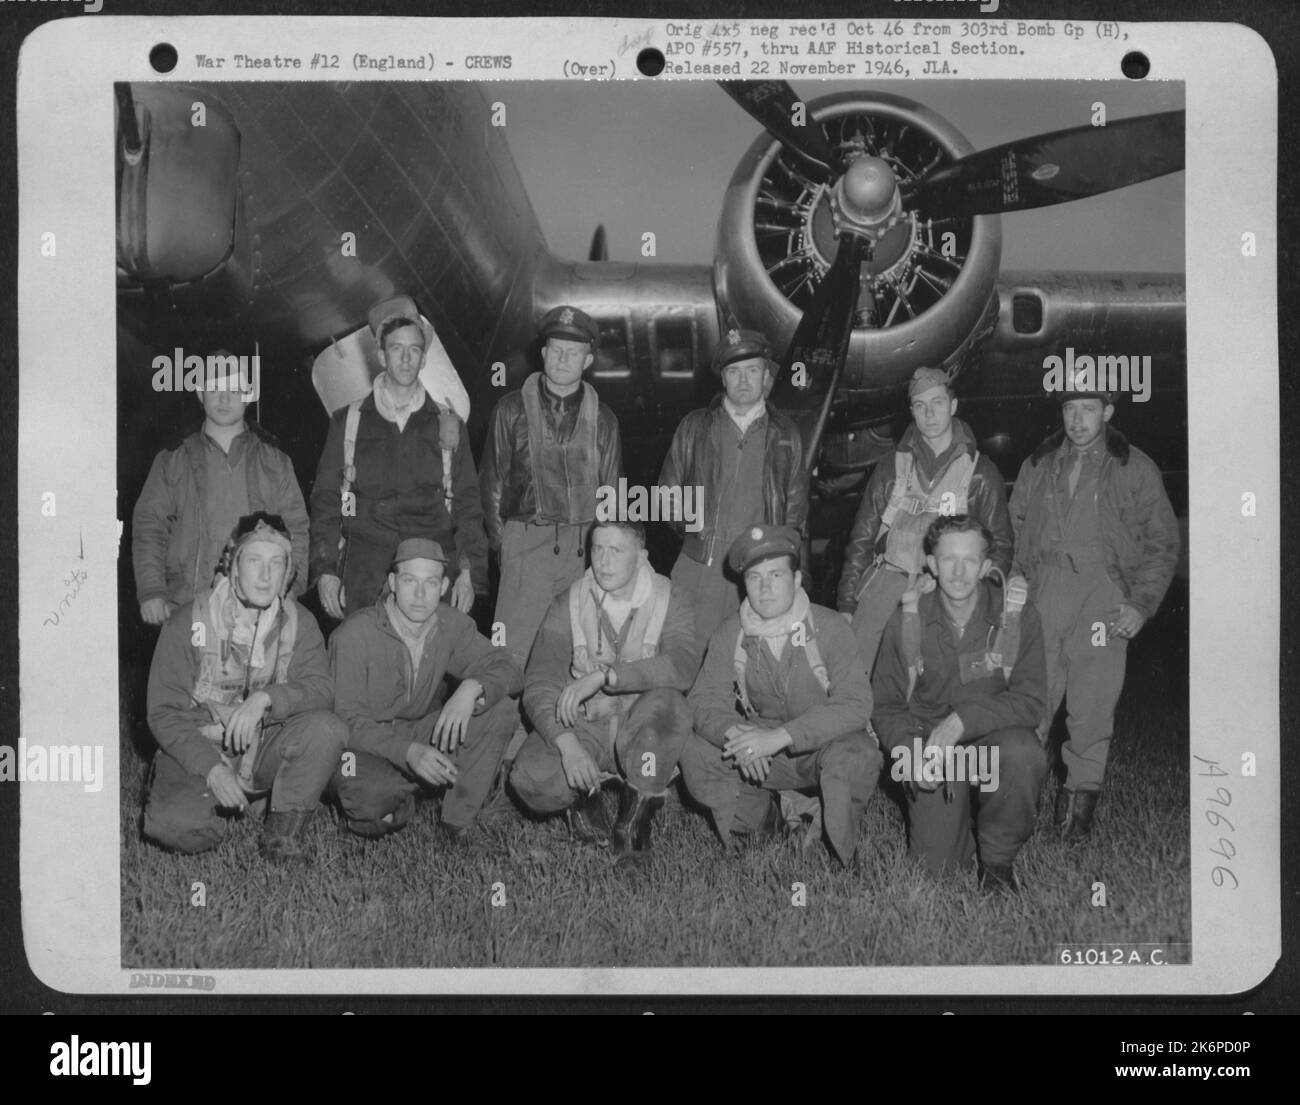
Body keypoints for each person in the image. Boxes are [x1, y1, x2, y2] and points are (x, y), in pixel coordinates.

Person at [1009, 389, 1179, 841]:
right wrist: (1014, 577)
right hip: (1045, 590)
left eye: (1088, 409)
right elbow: (1014, 523)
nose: (1077, 419)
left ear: (1107, 412)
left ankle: (1073, 827)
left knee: (1091, 705)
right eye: (1069, 409)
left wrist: (1140, 603)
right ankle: (1014, 813)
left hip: (1103, 597)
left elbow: (1163, 540)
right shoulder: (1038, 463)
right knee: (1030, 701)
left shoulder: (1134, 466)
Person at [142, 512, 347, 862]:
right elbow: (163, 713)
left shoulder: (301, 623)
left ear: (288, 572)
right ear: (233, 566)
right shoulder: (188, 621)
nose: (265, 575)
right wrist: (212, 769)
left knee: (328, 729)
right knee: (179, 828)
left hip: (264, 747)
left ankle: (280, 836)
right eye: (254, 560)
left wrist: (266, 699)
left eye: (277, 563)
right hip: (200, 746)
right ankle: (208, 798)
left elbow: (321, 690)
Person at [682, 525, 880, 868]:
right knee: (696, 749)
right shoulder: (732, 632)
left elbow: (856, 703)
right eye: (754, 577)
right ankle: (760, 825)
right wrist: (736, 734)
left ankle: (841, 854)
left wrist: (777, 738)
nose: (765, 587)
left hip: (823, 748)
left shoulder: (829, 627)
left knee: (857, 754)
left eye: (776, 574)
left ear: (797, 579)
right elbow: (702, 700)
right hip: (761, 755)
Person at [872, 515, 1048, 892]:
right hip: (930, 749)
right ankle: (959, 820)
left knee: (1023, 751)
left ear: (986, 567)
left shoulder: (1016, 617)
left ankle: (998, 860)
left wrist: (962, 721)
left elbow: (1032, 702)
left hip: (991, 743)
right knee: (936, 874)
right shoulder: (907, 621)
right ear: (932, 564)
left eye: (970, 560)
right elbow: (885, 706)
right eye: (947, 559)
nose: (957, 570)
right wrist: (909, 752)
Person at [510, 521, 696, 856]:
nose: (603, 561)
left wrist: (606, 676)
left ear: (640, 558)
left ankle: (633, 828)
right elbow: (539, 681)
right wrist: (568, 746)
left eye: (616, 550)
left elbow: (682, 665)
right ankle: (587, 807)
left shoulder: (670, 597)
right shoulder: (570, 601)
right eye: (597, 549)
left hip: (640, 727)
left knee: (670, 709)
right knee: (532, 779)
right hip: (587, 724)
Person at [327, 538, 522, 842]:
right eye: (409, 581)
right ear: (392, 582)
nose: (420, 594)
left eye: (430, 583)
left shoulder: (451, 623)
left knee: (500, 707)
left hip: (419, 731)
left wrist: (472, 687)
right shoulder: (354, 633)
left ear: (444, 586)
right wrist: (408, 753)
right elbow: (346, 721)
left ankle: (456, 822)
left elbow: (508, 667)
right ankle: (402, 800)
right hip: (362, 746)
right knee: (370, 800)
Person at [310, 294, 487, 621]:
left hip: (431, 579)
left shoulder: (449, 426)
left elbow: (467, 505)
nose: (405, 359)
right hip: (364, 578)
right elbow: (326, 501)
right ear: (380, 355)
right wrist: (326, 571)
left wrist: (468, 573)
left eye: (414, 350)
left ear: (423, 359)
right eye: (396, 349)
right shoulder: (347, 423)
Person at [837, 366, 1013, 676]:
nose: (929, 414)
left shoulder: (981, 473)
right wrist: (847, 605)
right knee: (853, 665)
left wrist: (978, 597)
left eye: (937, 403)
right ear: (912, 412)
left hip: (949, 583)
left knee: (945, 675)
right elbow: (862, 538)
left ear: (953, 406)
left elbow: (1000, 544)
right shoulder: (891, 467)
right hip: (889, 576)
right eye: (920, 406)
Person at [478, 305, 623, 670]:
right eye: (556, 349)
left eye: (573, 352)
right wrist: (507, 547)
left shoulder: (604, 419)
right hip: (527, 540)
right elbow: (491, 483)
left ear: (587, 359)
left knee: (572, 653)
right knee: (511, 655)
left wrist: (605, 554)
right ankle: (503, 728)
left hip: (581, 547)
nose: (562, 358)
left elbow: (612, 496)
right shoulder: (511, 409)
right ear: (543, 353)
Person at [657, 327, 808, 657]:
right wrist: (697, 532)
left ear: (766, 376)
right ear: (722, 379)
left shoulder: (787, 435)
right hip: (700, 566)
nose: (743, 380)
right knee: (683, 657)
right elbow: (667, 494)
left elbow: (795, 514)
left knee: (750, 660)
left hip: (758, 567)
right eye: (734, 372)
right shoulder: (695, 427)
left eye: (752, 370)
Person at [133, 354, 309, 624]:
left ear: (249, 394)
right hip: (188, 608)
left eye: (234, 388)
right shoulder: (172, 460)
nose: (224, 399)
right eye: (215, 388)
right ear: (200, 392)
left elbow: (297, 530)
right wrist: (152, 590)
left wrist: (289, 591)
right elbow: (149, 526)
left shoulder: (276, 462)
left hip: (258, 612)